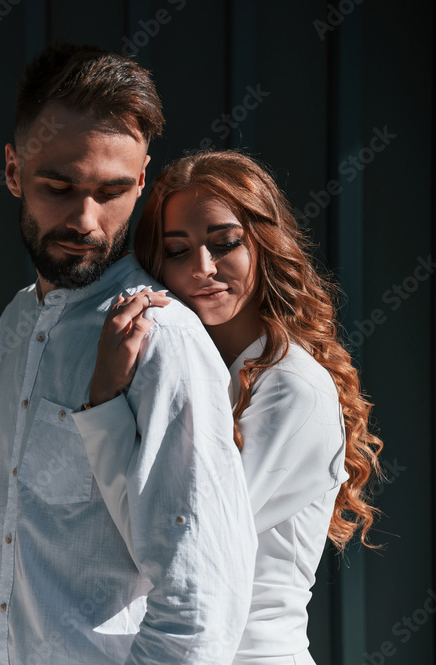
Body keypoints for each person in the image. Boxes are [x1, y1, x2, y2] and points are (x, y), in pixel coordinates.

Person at [0, 44, 257, 664]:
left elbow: (203, 599)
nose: (86, 218)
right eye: (58, 185)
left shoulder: (160, 337)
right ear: (14, 169)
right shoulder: (18, 322)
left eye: (113, 191)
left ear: (143, 182)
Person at [81, 149, 384, 663]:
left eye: (224, 244)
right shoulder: (204, 372)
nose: (203, 269)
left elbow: (179, 544)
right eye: (177, 251)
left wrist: (105, 402)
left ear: (264, 245)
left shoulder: (293, 388)